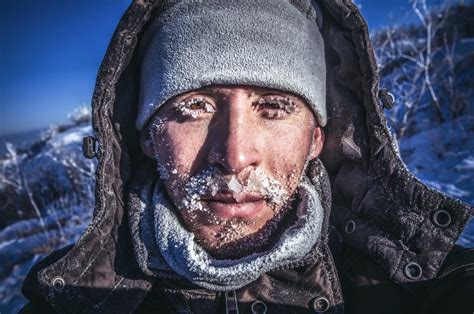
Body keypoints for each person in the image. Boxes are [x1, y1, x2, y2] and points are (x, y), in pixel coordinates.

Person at [21, 0, 473, 313]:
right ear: (146, 137)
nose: (234, 156)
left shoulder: (426, 285)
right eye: (194, 108)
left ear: (316, 139)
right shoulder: (73, 297)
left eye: (274, 108)